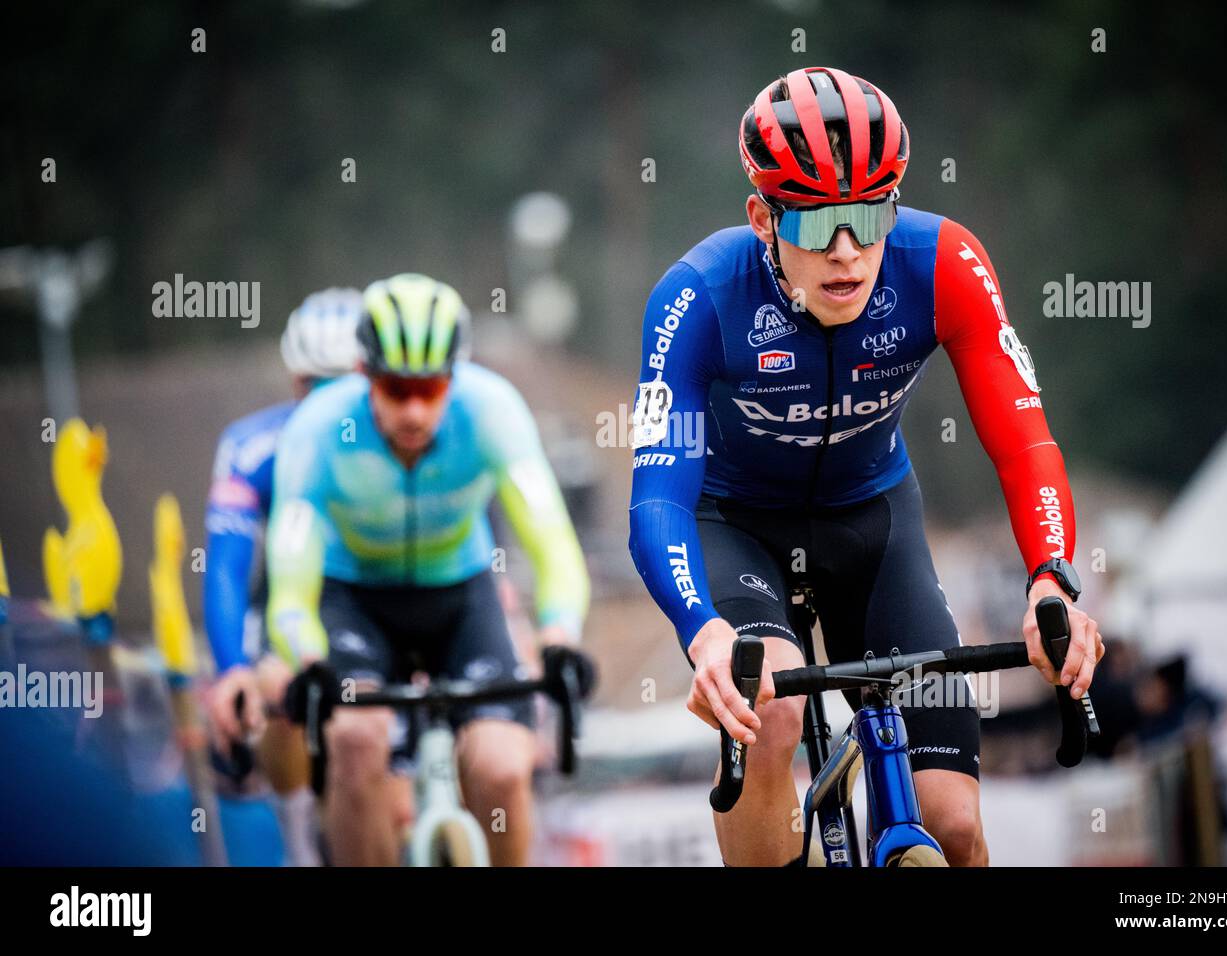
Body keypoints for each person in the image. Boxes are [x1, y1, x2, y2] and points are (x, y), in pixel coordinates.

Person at [627, 66, 1105, 866]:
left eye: (868, 215)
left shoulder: (945, 262)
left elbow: (1025, 443)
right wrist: (700, 628)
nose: (847, 252)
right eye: (816, 226)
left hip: (874, 524)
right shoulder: (698, 296)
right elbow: (656, 499)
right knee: (771, 710)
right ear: (762, 217)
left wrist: (1050, 578)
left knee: (952, 827)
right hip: (734, 530)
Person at [264, 273, 590, 866]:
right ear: (363, 374)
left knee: (500, 767)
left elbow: (554, 545)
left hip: (460, 596)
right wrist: (305, 659)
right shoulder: (317, 429)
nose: (415, 409)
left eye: (431, 387)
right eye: (396, 387)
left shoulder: (491, 409)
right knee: (356, 740)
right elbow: (289, 587)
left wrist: (560, 635)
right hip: (355, 601)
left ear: (454, 378)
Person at [203, 287, 364, 865]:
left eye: (345, 386)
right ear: (295, 383)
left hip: (381, 605)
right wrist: (231, 671)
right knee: (271, 688)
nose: (326, 406)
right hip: (286, 609)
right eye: (315, 386)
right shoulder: (252, 446)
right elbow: (225, 566)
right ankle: (297, 836)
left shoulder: (410, 434)